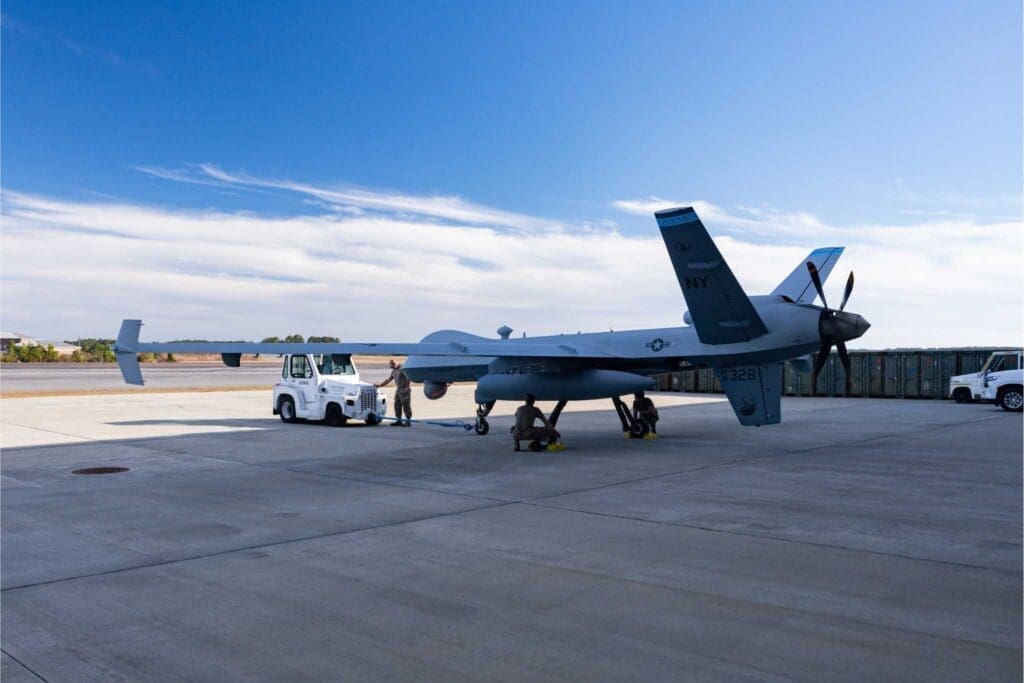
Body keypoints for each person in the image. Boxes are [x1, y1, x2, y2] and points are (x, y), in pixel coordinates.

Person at [376, 359, 412, 426]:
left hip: (404, 389)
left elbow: (408, 378)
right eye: (391, 364)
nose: (391, 366)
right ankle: (399, 420)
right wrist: (380, 385)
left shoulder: (402, 369)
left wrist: (407, 387)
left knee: (406, 406)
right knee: (397, 405)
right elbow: (388, 380)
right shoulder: (393, 371)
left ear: (397, 363)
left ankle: (408, 421)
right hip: (398, 390)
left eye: (393, 364)